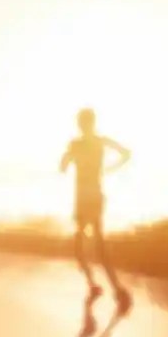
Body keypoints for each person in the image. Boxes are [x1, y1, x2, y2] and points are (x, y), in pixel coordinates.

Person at [60, 107, 133, 313]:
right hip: (94, 195)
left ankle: (97, 285)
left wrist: (67, 161)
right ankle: (113, 289)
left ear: (81, 124)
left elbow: (63, 166)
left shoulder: (76, 144)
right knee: (96, 242)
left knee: (81, 240)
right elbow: (126, 154)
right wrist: (109, 168)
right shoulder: (100, 142)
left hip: (84, 197)